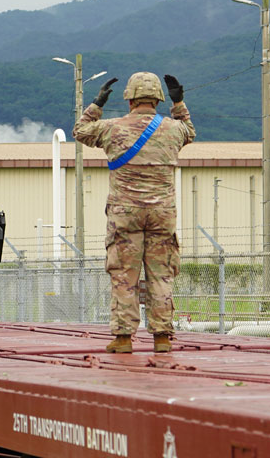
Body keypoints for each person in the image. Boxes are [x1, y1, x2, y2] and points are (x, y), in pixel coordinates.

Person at [74, 72, 195, 354]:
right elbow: (190, 131)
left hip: (125, 212)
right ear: (158, 100)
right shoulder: (173, 130)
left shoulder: (111, 128)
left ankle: (123, 338)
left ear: (129, 100)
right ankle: (162, 337)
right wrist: (179, 104)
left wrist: (96, 104)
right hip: (162, 212)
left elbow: (80, 131)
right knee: (161, 275)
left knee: (124, 276)